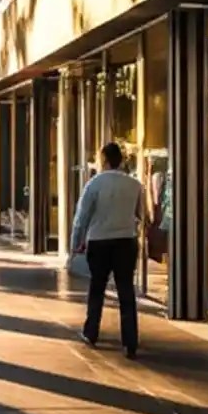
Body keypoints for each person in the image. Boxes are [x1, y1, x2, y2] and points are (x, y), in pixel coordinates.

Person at [72, 143, 145, 358]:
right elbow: (142, 215)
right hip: (126, 241)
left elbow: (82, 217)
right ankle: (130, 341)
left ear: (103, 160)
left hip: (100, 241)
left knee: (97, 288)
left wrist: (75, 243)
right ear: (121, 160)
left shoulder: (94, 184)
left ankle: (91, 332)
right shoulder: (135, 185)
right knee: (126, 291)